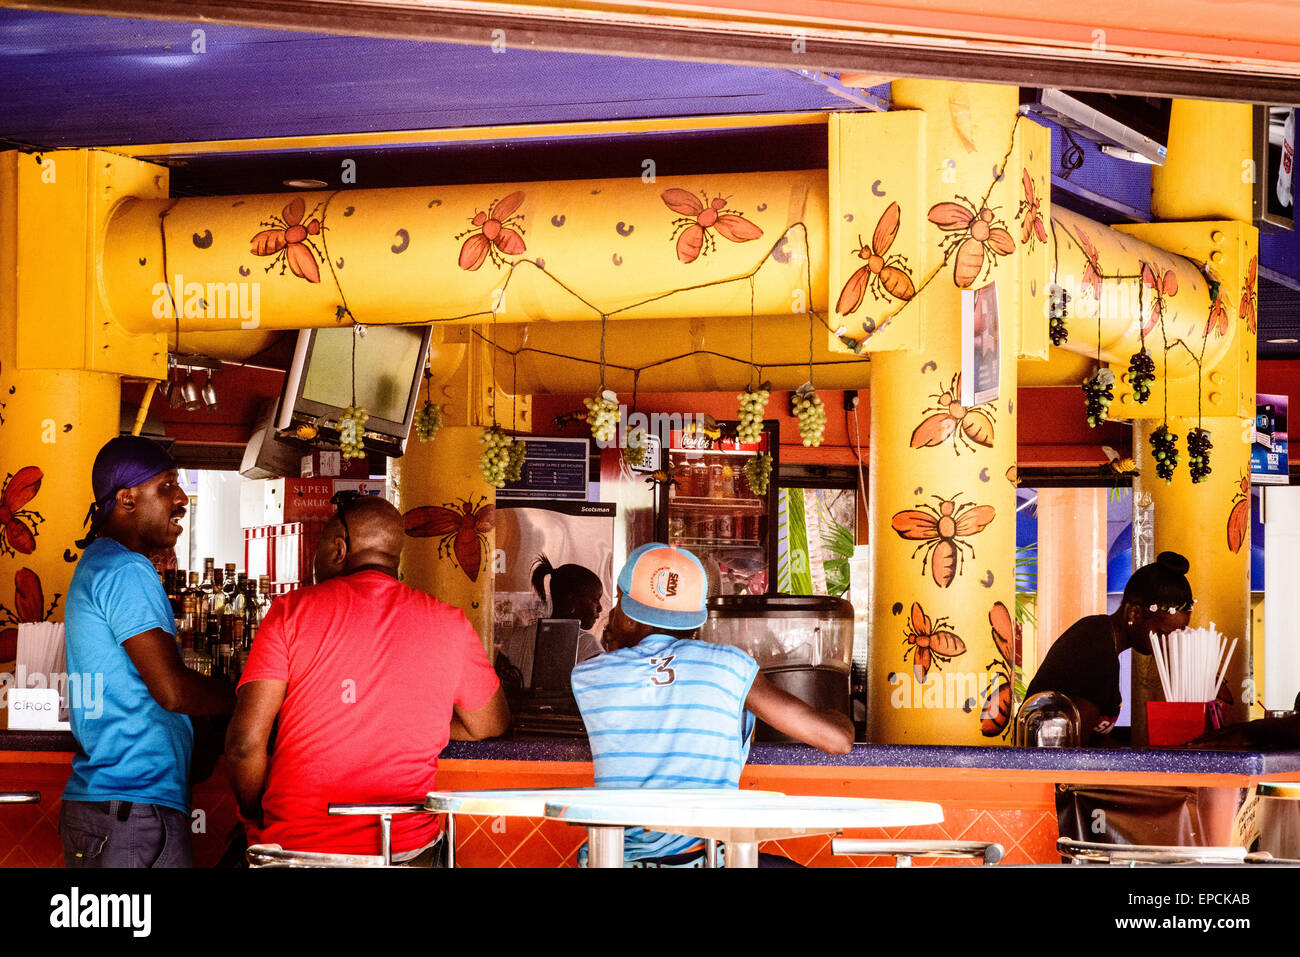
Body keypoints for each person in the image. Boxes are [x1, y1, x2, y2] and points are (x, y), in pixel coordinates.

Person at [225, 492, 509, 864]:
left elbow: (245, 744)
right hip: (404, 852)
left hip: (295, 848)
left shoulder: (290, 612)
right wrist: (412, 716)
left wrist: (252, 812)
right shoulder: (450, 623)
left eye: (320, 544)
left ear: (339, 548)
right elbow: (489, 725)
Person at [570, 543, 854, 867]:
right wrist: (837, 713)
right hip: (705, 860)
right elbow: (837, 740)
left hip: (614, 861)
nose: (612, 613)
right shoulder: (728, 666)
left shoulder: (590, 676)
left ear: (632, 618)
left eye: (619, 603)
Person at [61, 436, 235, 868]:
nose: (182, 499)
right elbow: (173, 690)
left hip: (109, 805)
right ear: (127, 499)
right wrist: (248, 696)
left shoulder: (99, 564)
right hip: (132, 810)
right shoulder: (126, 569)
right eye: (167, 486)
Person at [1026, 550, 1193, 746]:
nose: (1167, 643)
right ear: (1135, 613)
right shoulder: (1096, 649)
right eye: (1162, 633)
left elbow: (1094, 740)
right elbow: (1075, 750)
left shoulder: (1098, 632)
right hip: (1047, 772)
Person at [531, 555, 605, 663]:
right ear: (571, 601)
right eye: (595, 600)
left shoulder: (518, 638)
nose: (600, 608)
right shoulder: (587, 645)